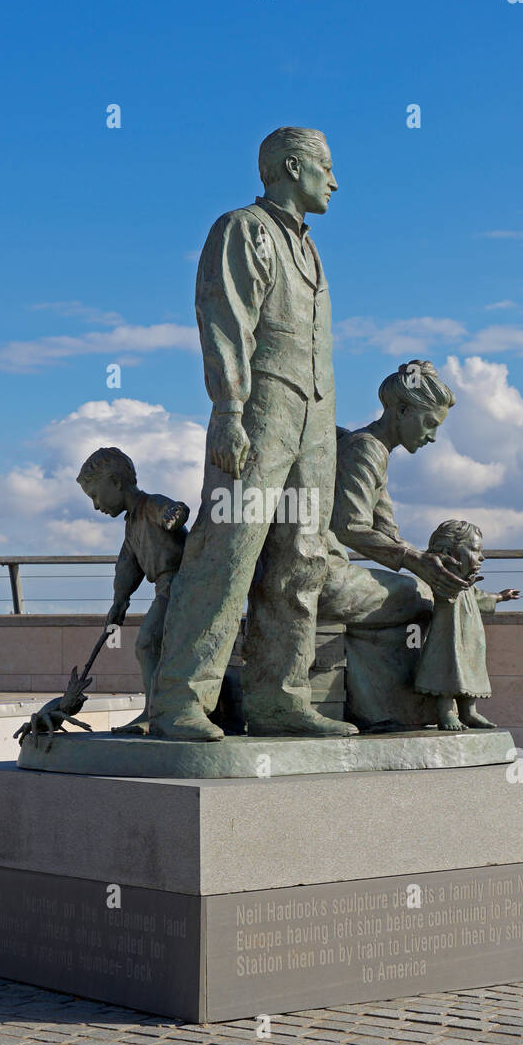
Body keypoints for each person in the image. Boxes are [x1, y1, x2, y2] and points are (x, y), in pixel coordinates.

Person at [149, 127, 356, 740]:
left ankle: (279, 699)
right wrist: (228, 410)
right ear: (293, 166)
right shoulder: (243, 228)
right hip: (260, 408)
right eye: (327, 168)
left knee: (302, 556)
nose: (335, 182)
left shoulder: (311, 249)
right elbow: (226, 319)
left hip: (313, 418)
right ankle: (179, 700)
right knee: (230, 547)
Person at [317, 361, 471, 729]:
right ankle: (401, 708)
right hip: (324, 575)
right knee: (422, 597)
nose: (432, 436)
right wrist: (416, 563)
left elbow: (388, 533)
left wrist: (431, 562)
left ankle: (379, 707)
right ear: (401, 410)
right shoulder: (364, 449)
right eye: (429, 422)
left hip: (333, 572)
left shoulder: (376, 451)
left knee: (423, 591)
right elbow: (350, 527)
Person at [76, 447, 188, 733]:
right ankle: (160, 710)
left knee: (146, 643)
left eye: (95, 496)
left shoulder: (150, 506)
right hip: (165, 588)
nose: (96, 506)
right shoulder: (131, 524)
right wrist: (119, 602)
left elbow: (174, 509)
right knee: (153, 646)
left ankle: (155, 714)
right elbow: (127, 566)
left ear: (115, 482)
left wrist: (174, 514)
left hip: (181, 584)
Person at [413, 519, 519, 729]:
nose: (481, 557)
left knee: (470, 669)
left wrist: (500, 597)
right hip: (448, 637)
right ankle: (446, 713)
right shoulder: (439, 579)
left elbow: (478, 597)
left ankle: (469, 712)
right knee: (448, 668)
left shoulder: (467, 584)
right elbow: (444, 595)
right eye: (474, 550)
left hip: (470, 637)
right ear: (448, 552)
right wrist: (459, 584)